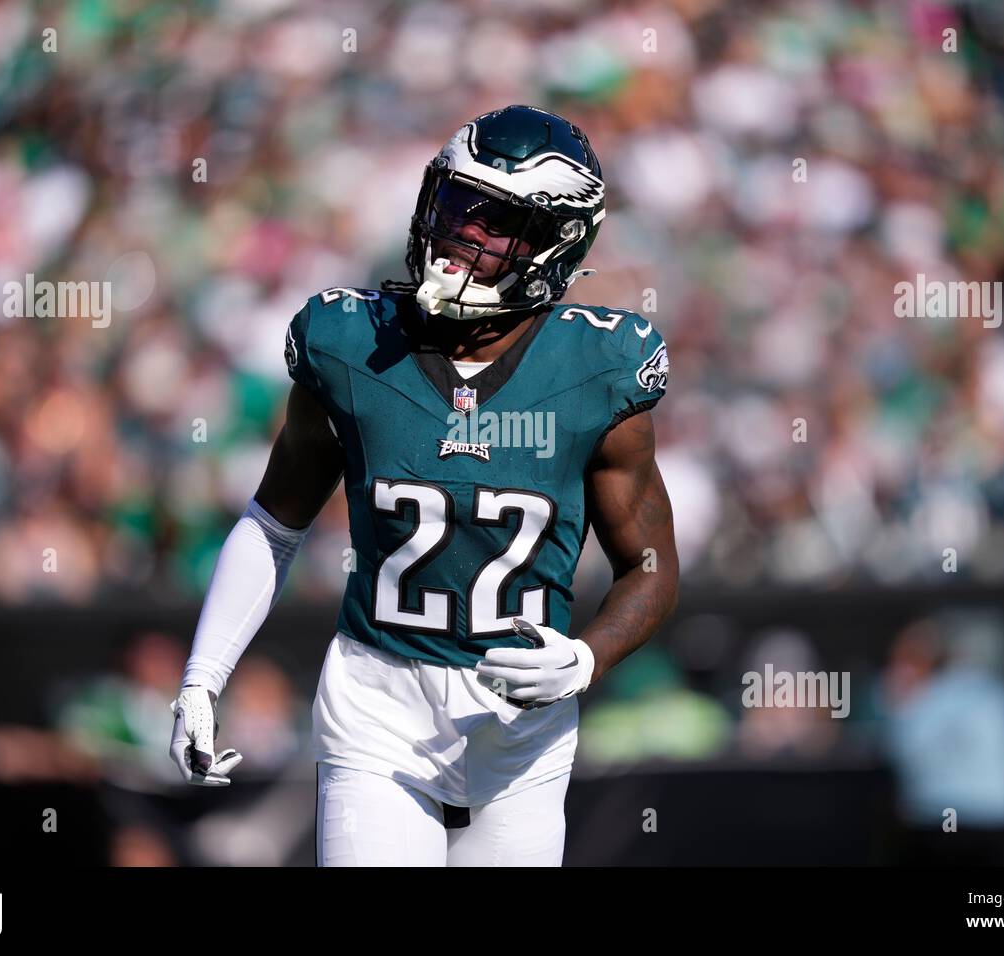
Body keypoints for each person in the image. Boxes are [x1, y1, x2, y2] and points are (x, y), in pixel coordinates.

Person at [168, 105, 679, 866]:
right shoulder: (349, 344)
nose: (464, 231)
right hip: (378, 701)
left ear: (554, 244)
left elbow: (650, 567)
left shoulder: (597, 369)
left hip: (518, 731)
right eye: (455, 203)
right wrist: (202, 680)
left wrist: (585, 659)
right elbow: (276, 524)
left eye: (497, 220)